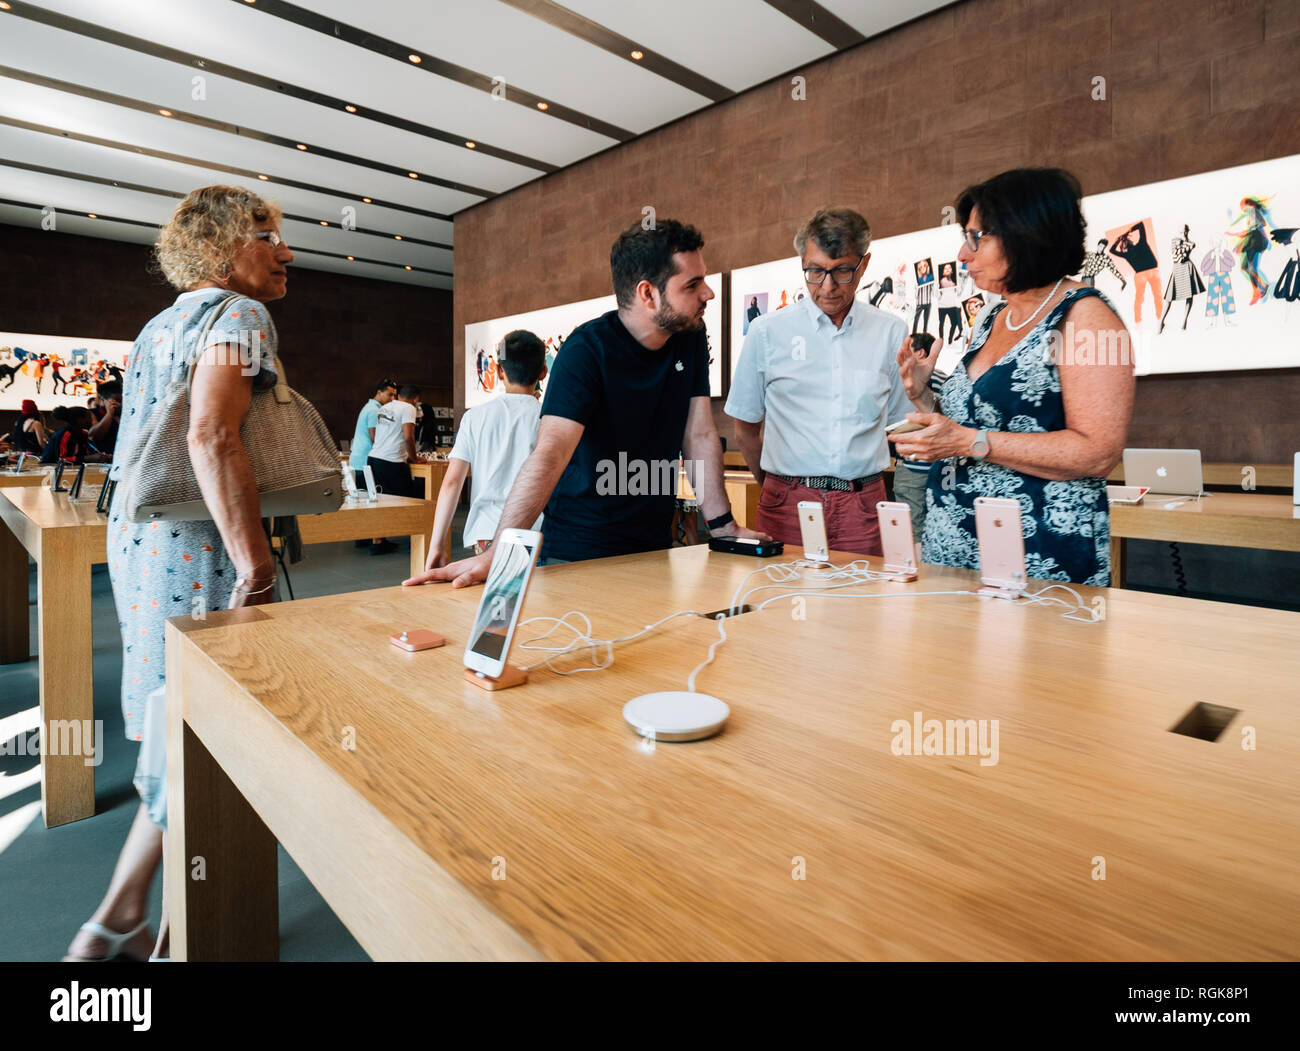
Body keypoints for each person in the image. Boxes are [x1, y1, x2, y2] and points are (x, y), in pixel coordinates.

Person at [64, 185, 293, 963]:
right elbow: (211, 435)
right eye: (269, 236)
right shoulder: (240, 317)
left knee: (180, 721)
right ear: (227, 246)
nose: (287, 251)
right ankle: (134, 924)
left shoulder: (157, 325)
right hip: (196, 541)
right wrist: (255, 558)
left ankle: (136, 921)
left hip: (138, 538)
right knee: (195, 724)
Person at [404, 218, 767, 587]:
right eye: (692, 284)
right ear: (648, 294)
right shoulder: (586, 351)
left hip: (654, 547)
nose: (708, 293)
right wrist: (500, 550)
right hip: (578, 551)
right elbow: (551, 454)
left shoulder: (688, 335)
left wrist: (724, 528)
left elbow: (700, 434)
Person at [892, 168, 1135, 586]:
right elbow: (977, 425)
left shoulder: (1088, 318)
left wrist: (968, 442)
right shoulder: (992, 317)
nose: (963, 255)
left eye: (976, 237)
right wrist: (924, 399)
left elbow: (1098, 452)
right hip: (954, 546)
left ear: (1026, 234)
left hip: (1039, 555)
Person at [726, 207, 910, 557]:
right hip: (787, 503)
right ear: (802, 263)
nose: (827, 287)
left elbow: (902, 428)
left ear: (864, 265)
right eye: (814, 271)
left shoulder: (890, 332)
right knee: (779, 603)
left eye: (841, 271)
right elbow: (745, 430)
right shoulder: (767, 332)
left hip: (864, 505)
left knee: (863, 605)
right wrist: (779, 487)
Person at [424, 330, 547, 569]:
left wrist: (436, 545)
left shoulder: (474, 418)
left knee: (497, 601)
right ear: (543, 371)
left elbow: (452, 483)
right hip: (537, 531)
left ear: (499, 371)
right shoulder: (549, 419)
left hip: (487, 532)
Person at [891, 340, 949, 541]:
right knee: (943, 528)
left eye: (909, 351)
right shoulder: (949, 380)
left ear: (922, 353)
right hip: (945, 469)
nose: (903, 357)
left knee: (910, 532)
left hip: (913, 466)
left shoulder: (906, 378)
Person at [366, 382, 420, 553]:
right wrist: (414, 458)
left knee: (378, 501)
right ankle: (418, 539)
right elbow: (408, 437)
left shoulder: (386, 408)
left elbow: (375, 434)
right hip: (392, 461)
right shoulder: (408, 408)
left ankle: (378, 541)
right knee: (412, 501)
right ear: (415, 399)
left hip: (374, 458)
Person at [348, 378, 397, 550]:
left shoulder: (367, 407)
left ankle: (362, 538)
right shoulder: (375, 411)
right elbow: (374, 437)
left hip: (357, 461)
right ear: (379, 392)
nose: (392, 398)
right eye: (389, 394)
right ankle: (378, 541)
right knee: (376, 500)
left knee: (362, 501)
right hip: (366, 462)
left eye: (394, 395)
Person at [39, 406, 110, 464]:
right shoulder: (65, 434)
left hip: (71, 469)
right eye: (89, 417)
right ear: (79, 420)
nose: (91, 420)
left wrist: (101, 456)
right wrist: (88, 458)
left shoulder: (83, 433)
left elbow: (84, 453)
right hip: (49, 470)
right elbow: (61, 459)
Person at [88, 379, 122, 455]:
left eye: (122, 400)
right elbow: (94, 436)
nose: (120, 404)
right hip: (105, 458)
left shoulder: (125, 412)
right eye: (117, 400)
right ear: (103, 400)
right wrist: (109, 414)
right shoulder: (93, 413)